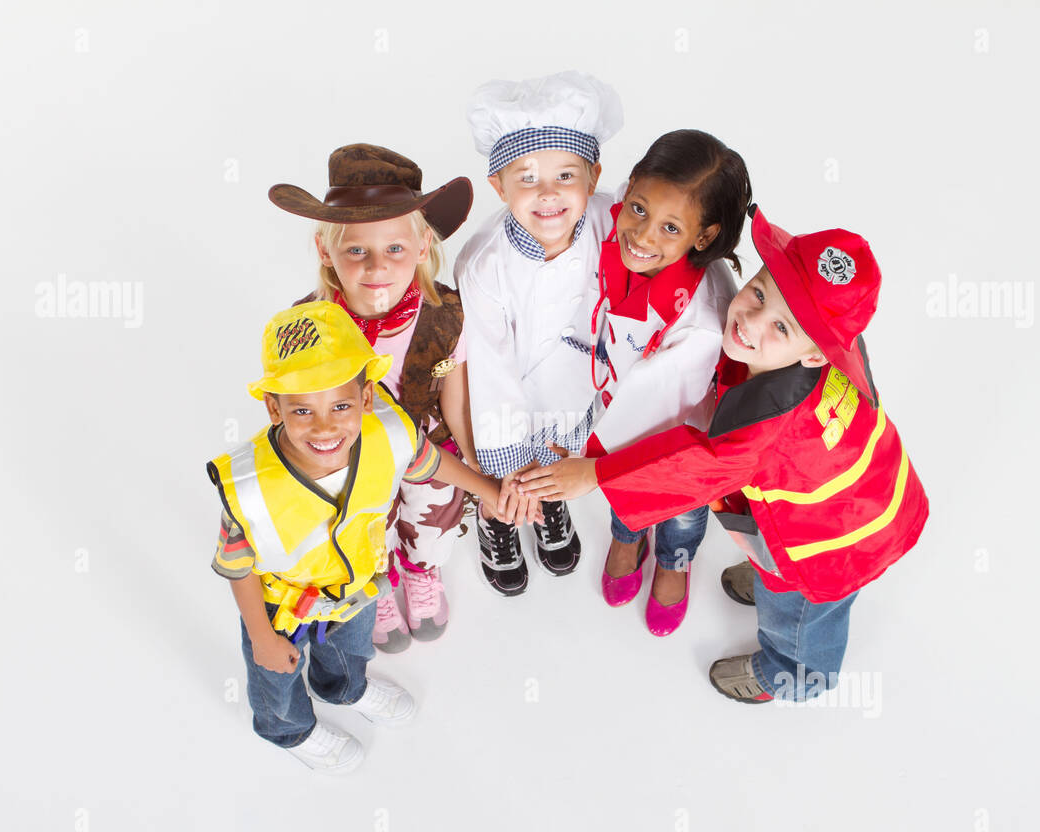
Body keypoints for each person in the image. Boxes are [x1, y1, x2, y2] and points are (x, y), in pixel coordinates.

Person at [514, 206, 929, 703]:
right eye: (757, 293)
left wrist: (595, 474)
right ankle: (771, 579)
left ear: (817, 355)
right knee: (777, 576)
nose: (751, 320)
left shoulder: (763, 423)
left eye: (781, 328)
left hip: (831, 547)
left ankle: (788, 676)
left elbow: (691, 466)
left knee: (796, 612)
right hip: (864, 494)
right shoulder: (835, 347)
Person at [208, 302, 510, 772]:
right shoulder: (250, 487)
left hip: (359, 583)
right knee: (276, 680)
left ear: (367, 398)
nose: (325, 427)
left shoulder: (386, 431)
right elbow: (237, 566)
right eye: (302, 409)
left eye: (342, 405)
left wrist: (487, 488)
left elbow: (424, 459)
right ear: (274, 408)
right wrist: (262, 636)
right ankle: (289, 730)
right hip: (280, 606)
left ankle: (344, 689)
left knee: (350, 651)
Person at [269, 144, 477, 653]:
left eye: (395, 249)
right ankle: (378, 582)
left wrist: (472, 460)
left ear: (423, 245)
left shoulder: (446, 311)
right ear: (326, 251)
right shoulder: (306, 327)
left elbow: (453, 383)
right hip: (351, 454)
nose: (376, 267)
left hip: (430, 443)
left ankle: (421, 568)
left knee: (434, 515)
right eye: (356, 250)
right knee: (366, 524)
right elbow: (292, 411)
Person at [456, 70, 624, 596]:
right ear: (498, 186)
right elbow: (490, 367)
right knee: (510, 478)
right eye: (525, 178)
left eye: (565, 176)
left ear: (593, 178)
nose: (547, 194)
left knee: (558, 459)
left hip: (573, 384)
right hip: (503, 400)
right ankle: (499, 518)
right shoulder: (484, 265)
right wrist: (511, 469)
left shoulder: (608, 224)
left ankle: (550, 502)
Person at [578, 130, 747, 637]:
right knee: (626, 502)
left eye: (670, 227)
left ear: (703, 236)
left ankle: (675, 560)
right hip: (617, 399)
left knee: (680, 511)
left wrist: (590, 465)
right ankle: (628, 537)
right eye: (638, 209)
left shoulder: (704, 317)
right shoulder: (611, 224)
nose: (644, 235)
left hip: (683, 433)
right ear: (628, 190)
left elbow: (653, 411)